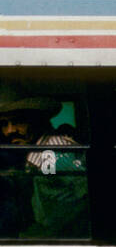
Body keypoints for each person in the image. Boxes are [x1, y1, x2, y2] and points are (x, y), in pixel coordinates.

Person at [0, 84, 86, 237]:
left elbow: (85, 195)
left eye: (18, 121)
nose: (10, 131)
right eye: (4, 124)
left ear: (37, 120)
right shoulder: (34, 152)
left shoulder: (50, 153)